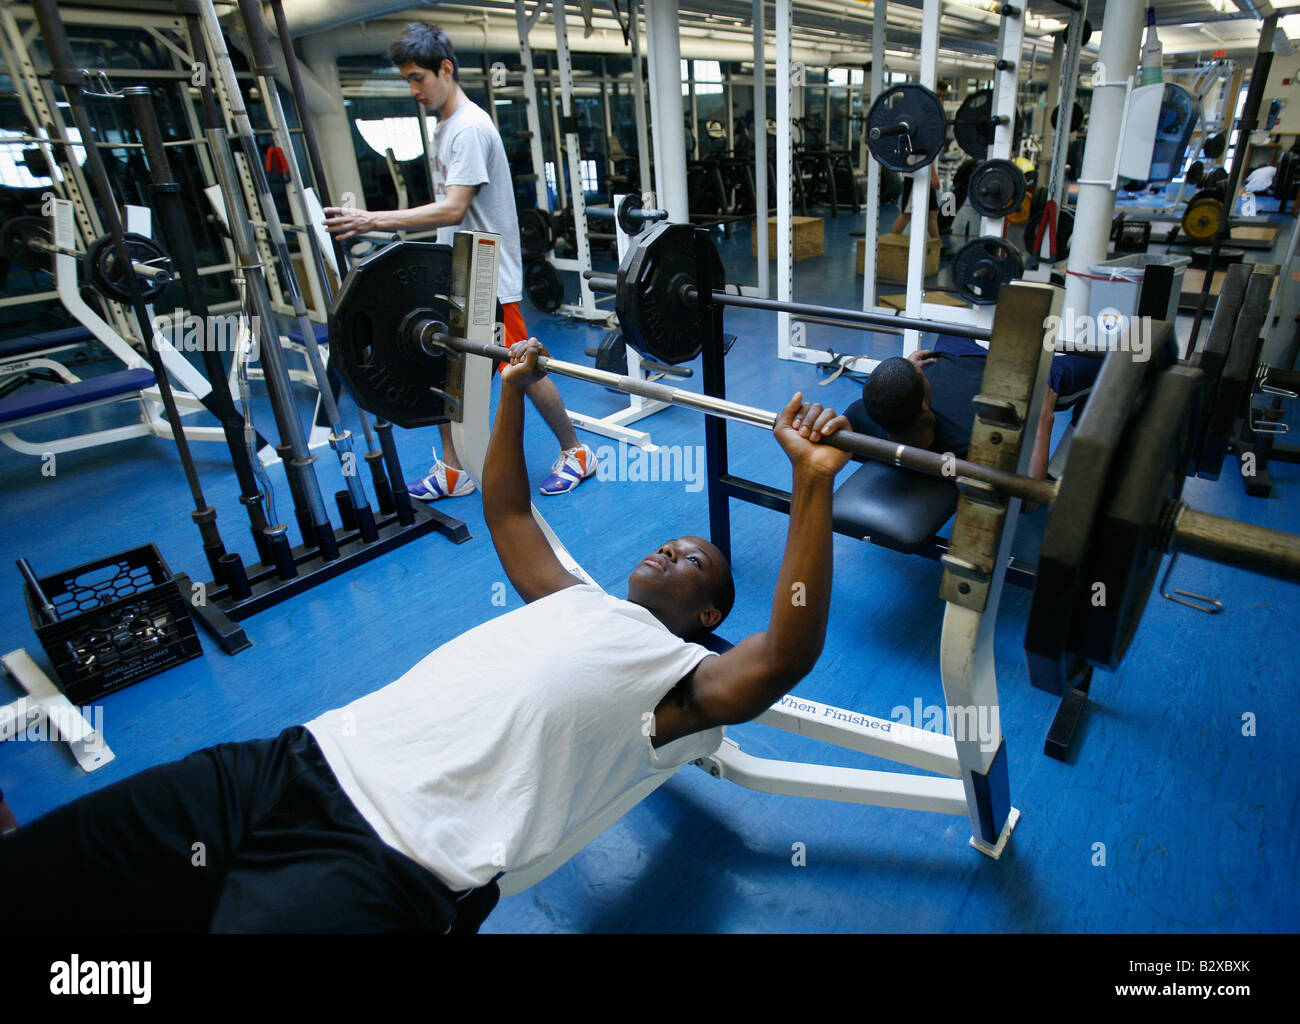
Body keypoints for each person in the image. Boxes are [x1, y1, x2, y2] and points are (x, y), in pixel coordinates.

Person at [0, 339, 853, 933]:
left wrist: (810, 484)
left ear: (708, 618)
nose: (673, 546)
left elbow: (785, 652)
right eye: (672, 539)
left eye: (696, 560)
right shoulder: (574, 597)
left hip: (385, 862)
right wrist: (512, 392)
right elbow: (509, 508)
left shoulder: (681, 682)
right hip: (284, 765)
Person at [324, 24, 595, 499]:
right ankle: (453, 469)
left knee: (525, 370)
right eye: (408, 81)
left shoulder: (469, 128)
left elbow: (452, 207)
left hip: (490, 276)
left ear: (445, 69)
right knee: (440, 370)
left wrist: (371, 220)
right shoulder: (447, 127)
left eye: (417, 79)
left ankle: (577, 451)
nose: (414, 91)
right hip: (457, 271)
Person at [844, 335, 1102, 481]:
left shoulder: (863, 413)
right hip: (1022, 382)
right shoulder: (974, 441)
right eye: (922, 379)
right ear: (924, 402)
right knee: (1102, 361)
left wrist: (904, 369)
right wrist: (1042, 421)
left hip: (957, 358)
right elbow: (1027, 500)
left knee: (950, 332)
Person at [890, 80, 947, 244]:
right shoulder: (920, 116)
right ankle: (888, 247)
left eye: (943, 96)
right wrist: (933, 175)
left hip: (925, 172)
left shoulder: (932, 115)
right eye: (938, 95)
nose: (941, 99)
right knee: (907, 214)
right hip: (915, 174)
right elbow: (923, 150)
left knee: (932, 213)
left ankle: (938, 248)